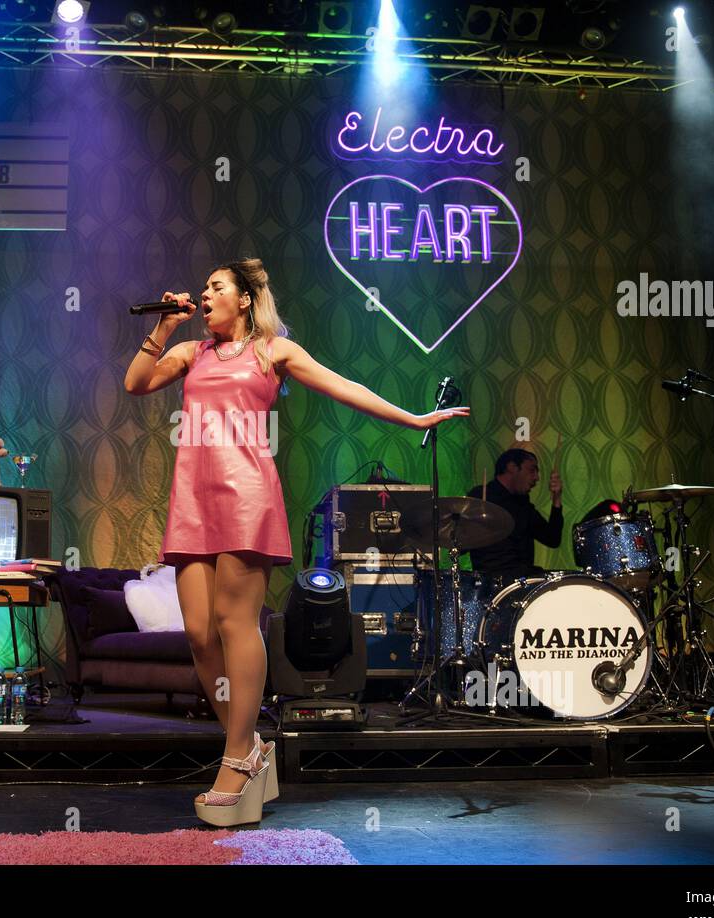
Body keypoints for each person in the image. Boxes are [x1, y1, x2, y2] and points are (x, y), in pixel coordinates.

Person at [124, 258, 469, 825]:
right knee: (197, 631)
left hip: (246, 497)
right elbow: (136, 383)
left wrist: (413, 419)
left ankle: (237, 757)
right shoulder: (190, 353)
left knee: (236, 624)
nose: (205, 295)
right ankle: (253, 746)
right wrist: (163, 327)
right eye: (204, 288)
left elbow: (344, 386)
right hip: (193, 500)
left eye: (217, 287)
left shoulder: (272, 353)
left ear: (244, 298)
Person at [466, 447, 563, 579]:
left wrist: (556, 498)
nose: (537, 477)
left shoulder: (523, 504)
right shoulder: (481, 496)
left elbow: (552, 539)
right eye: (532, 470)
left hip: (525, 581)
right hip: (491, 583)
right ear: (512, 467)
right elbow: (462, 541)